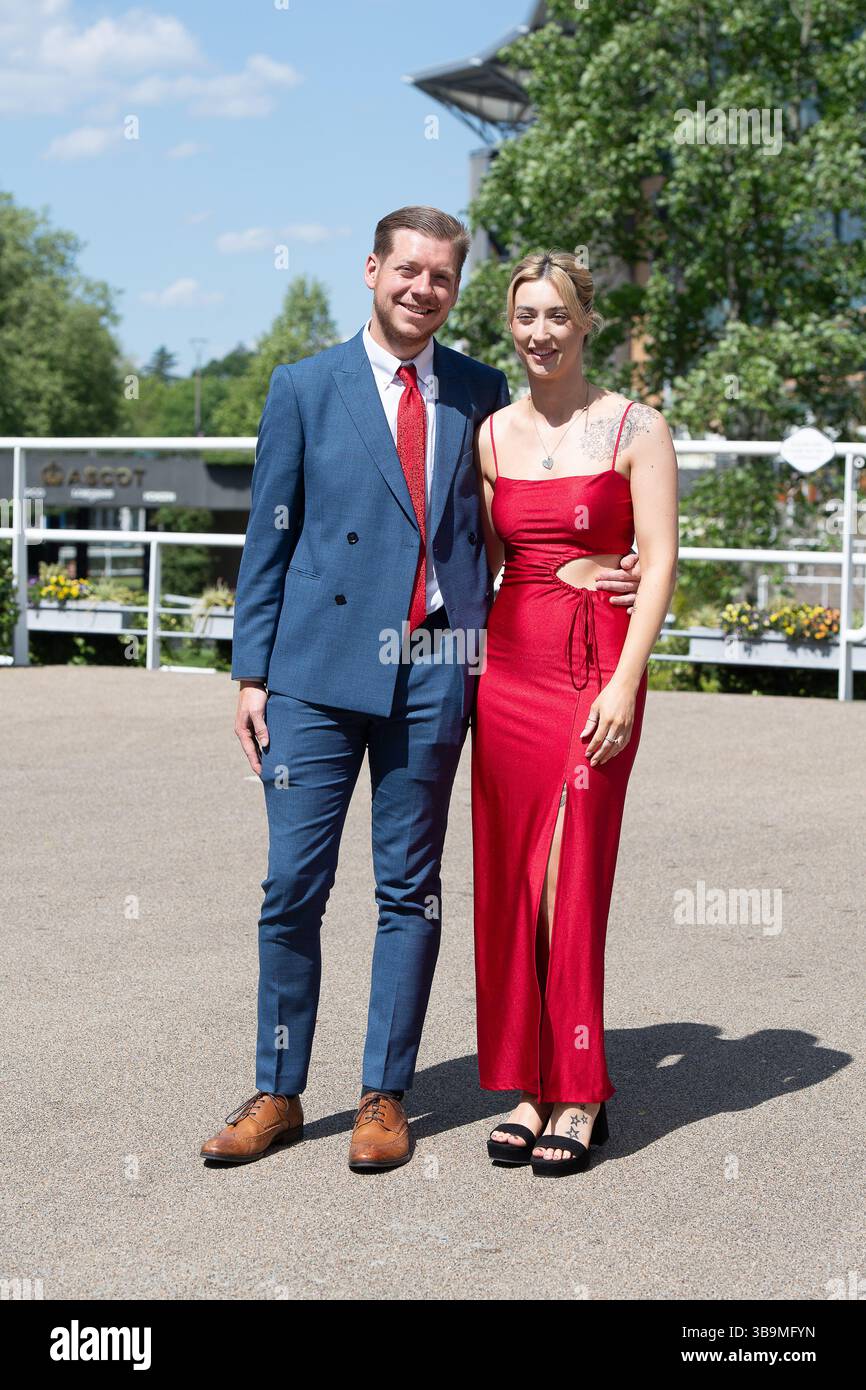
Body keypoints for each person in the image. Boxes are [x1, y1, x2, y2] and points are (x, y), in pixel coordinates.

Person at [200, 210, 642, 1172]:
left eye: (441, 278)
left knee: (410, 890)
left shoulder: (483, 393)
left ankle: (383, 1096)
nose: (422, 290)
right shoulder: (305, 387)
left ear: (453, 288)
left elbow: (549, 499)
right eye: (408, 271)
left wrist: (619, 560)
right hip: (315, 674)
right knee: (290, 889)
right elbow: (267, 542)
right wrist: (250, 671)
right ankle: (278, 1090)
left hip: (438, 668)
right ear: (372, 270)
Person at [472, 251, 678, 1176]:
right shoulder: (491, 434)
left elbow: (662, 560)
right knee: (513, 879)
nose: (540, 332)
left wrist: (628, 680)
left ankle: (583, 1087)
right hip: (508, 673)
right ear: (510, 325)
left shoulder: (638, 427)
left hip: (596, 667)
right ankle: (526, 1083)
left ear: (586, 320)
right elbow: (490, 564)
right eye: (526, 317)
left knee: (570, 878)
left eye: (557, 315)